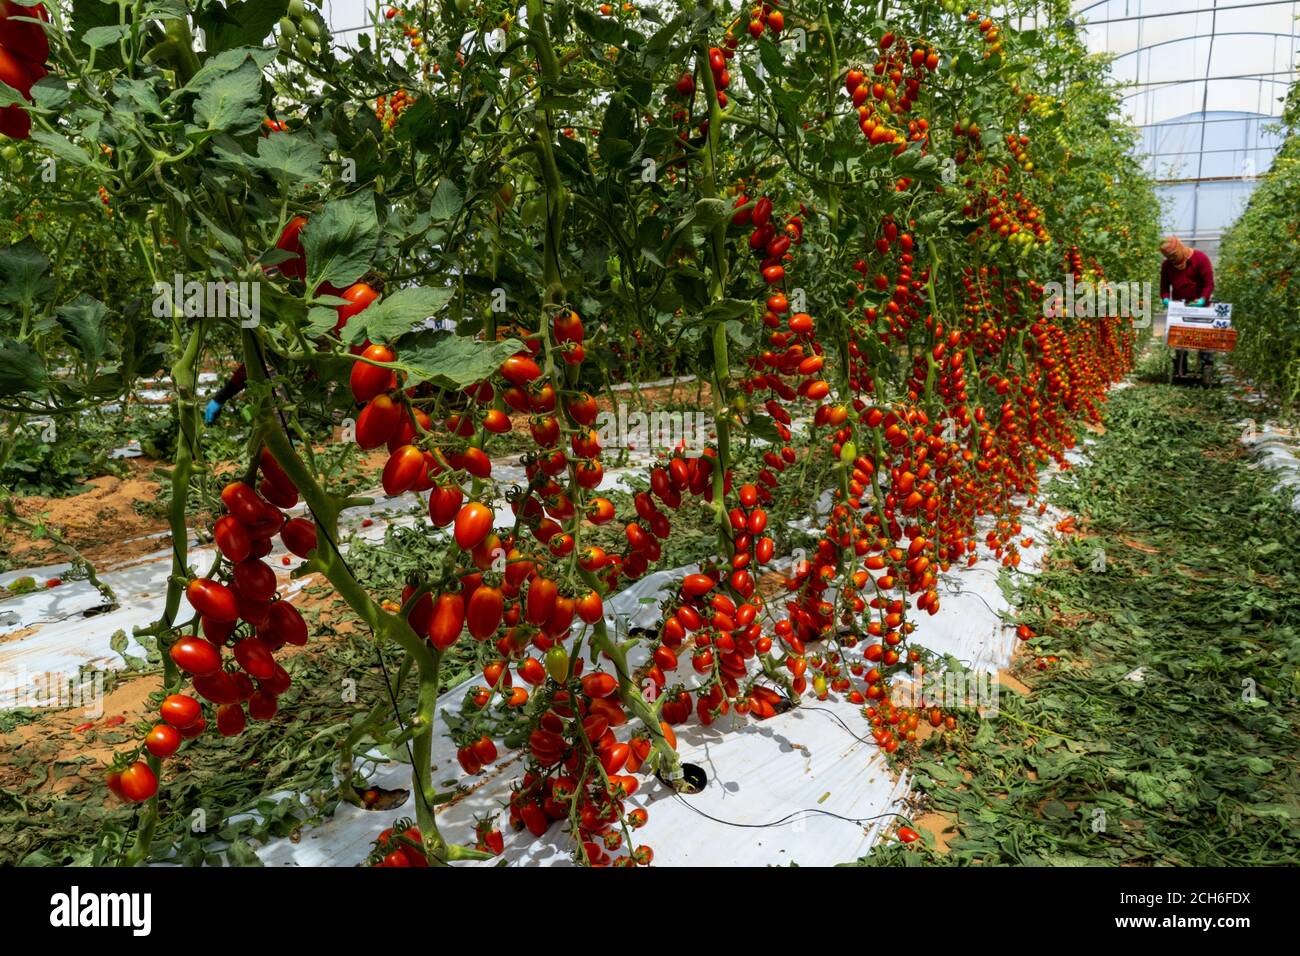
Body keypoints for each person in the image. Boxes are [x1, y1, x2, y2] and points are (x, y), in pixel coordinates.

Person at [1158, 235, 1215, 378]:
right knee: (1180, 337)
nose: (1171, 259)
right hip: (1180, 307)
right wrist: (1165, 299)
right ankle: (1180, 364)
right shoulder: (1167, 266)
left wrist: (1202, 299)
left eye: (1173, 256)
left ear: (1179, 248)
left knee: (1204, 337)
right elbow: (1164, 287)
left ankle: (1206, 363)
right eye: (1168, 257)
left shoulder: (1200, 259)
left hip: (1202, 306)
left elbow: (1209, 284)